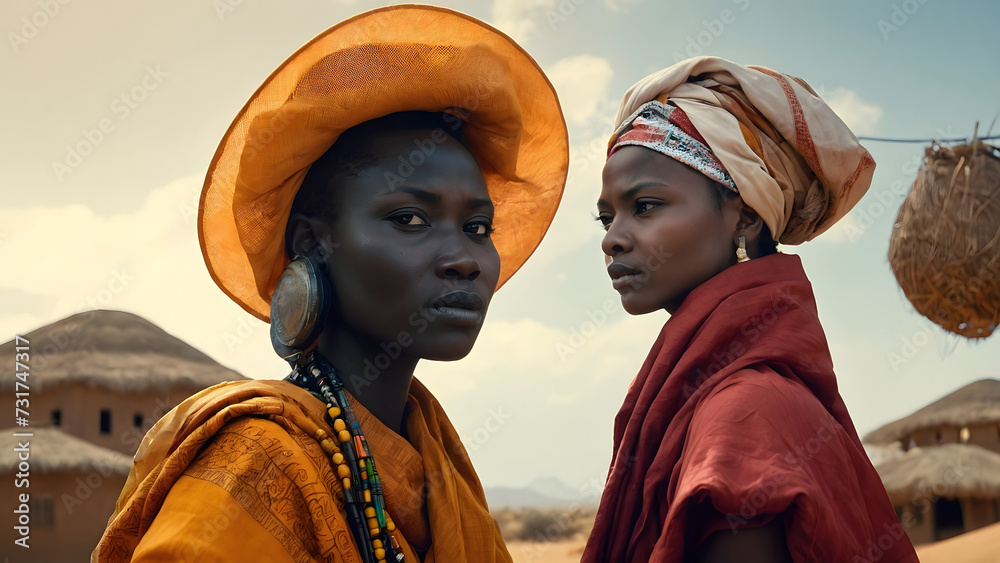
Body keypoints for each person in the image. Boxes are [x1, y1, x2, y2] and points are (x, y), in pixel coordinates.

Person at [92, 6, 567, 562]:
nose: (465, 259)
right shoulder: (257, 461)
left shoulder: (440, 468)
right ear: (313, 242)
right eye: (410, 219)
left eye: (478, 228)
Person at [582, 57, 918, 562]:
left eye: (645, 206)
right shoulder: (744, 394)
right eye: (606, 218)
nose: (612, 239)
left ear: (744, 219)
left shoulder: (743, 415)